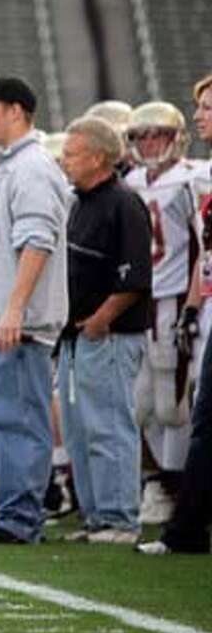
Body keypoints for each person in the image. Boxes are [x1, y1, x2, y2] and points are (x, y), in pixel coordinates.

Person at [0, 76, 69, 545]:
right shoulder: (10, 165)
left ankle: (22, 517)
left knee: (21, 419)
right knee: (4, 419)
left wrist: (15, 308)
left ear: (16, 111)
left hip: (19, 324)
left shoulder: (32, 168)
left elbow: (37, 241)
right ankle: (13, 511)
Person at [58, 116, 151, 544]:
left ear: (98, 157)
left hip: (108, 334)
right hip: (78, 336)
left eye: (72, 154)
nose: (65, 161)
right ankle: (96, 516)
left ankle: (119, 518)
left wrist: (100, 319)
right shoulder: (80, 203)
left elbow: (134, 277)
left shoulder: (123, 204)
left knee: (109, 426)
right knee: (80, 429)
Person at [140, 73, 212, 555]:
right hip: (195, 303)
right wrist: (192, 304)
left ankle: (182, 515)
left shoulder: (194, 176)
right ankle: (182, 517)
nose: (200, 115)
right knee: (193, 415)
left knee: (188, 411)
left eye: (209, 107)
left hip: (181, 302)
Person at [123, 101, 204, 526]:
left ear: (177, 137)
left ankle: (173, 486)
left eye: (159, 134)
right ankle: (159, 480)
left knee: (174, 404)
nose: (150, 143)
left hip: (175, 297)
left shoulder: (193, 178)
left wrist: (192, 305)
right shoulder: (133, 181)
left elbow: (201, 246)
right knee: (137, 405)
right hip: (141, 299)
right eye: (142, 135)